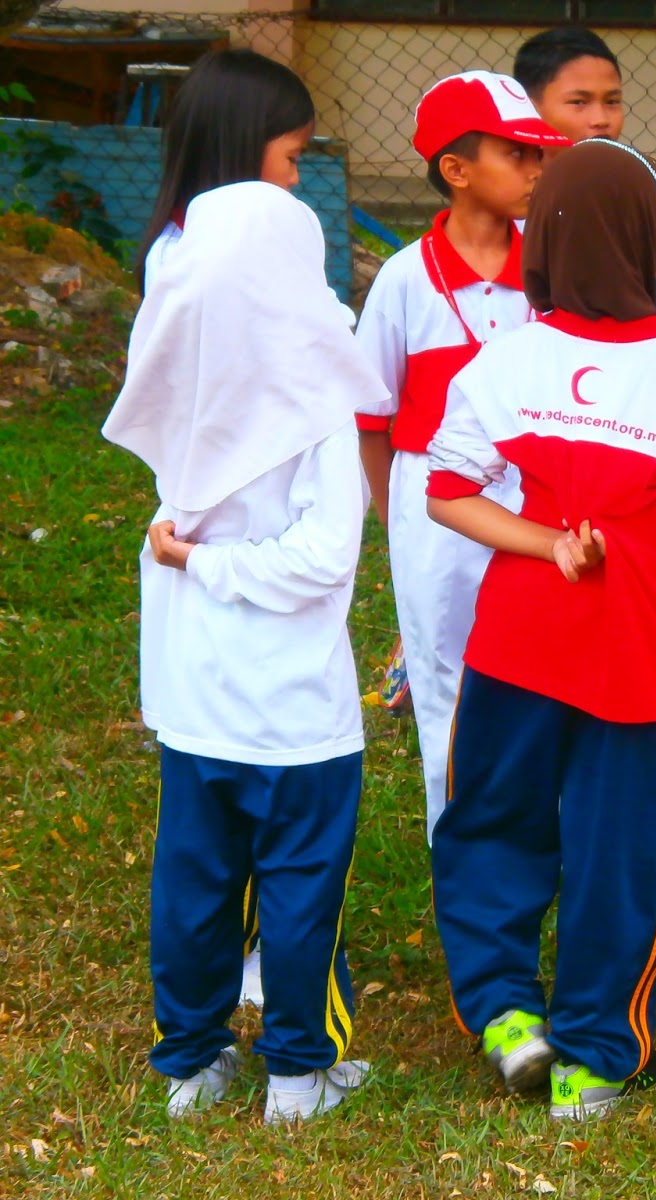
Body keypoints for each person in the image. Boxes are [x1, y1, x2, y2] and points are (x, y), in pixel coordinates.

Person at [105, 49, 387, 1125]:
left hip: (193, 694)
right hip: (294, 710)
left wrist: (189, 559)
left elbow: (175, 524)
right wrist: (213, 561)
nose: (294, 179)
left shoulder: (172, 349)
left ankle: (186, 1062)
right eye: (294, 164)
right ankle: (295, 1073)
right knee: (302, 888)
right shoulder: (317, 389)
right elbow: (322, 559)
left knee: (194, 883)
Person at [426, 139, 656, 1122]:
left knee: (493, 816)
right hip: (635, 651)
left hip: (515, 640)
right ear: (649, 243)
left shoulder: (505, 359)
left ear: (541, 239)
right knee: (623, 847)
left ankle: (505, 1012)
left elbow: (446, 494)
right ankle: (596, 1055)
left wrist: (545, 539)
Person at [354, 72, 570, 841]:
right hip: (433, 512)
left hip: (534, 507)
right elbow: (371, 416)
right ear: (456, 169)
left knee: (535, 670)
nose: (538, 171)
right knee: (443, 674)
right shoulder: (404, 282)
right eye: (519, 154)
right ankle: (459, 841)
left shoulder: (547, 274)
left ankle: (530, 830)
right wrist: (398, 523)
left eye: (542, 154)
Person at [512, 26, 626, 144]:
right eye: (578, 102)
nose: (601, 120)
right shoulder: (496, 162)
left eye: (612, 102)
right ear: (530, 111)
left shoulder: (636, 162)